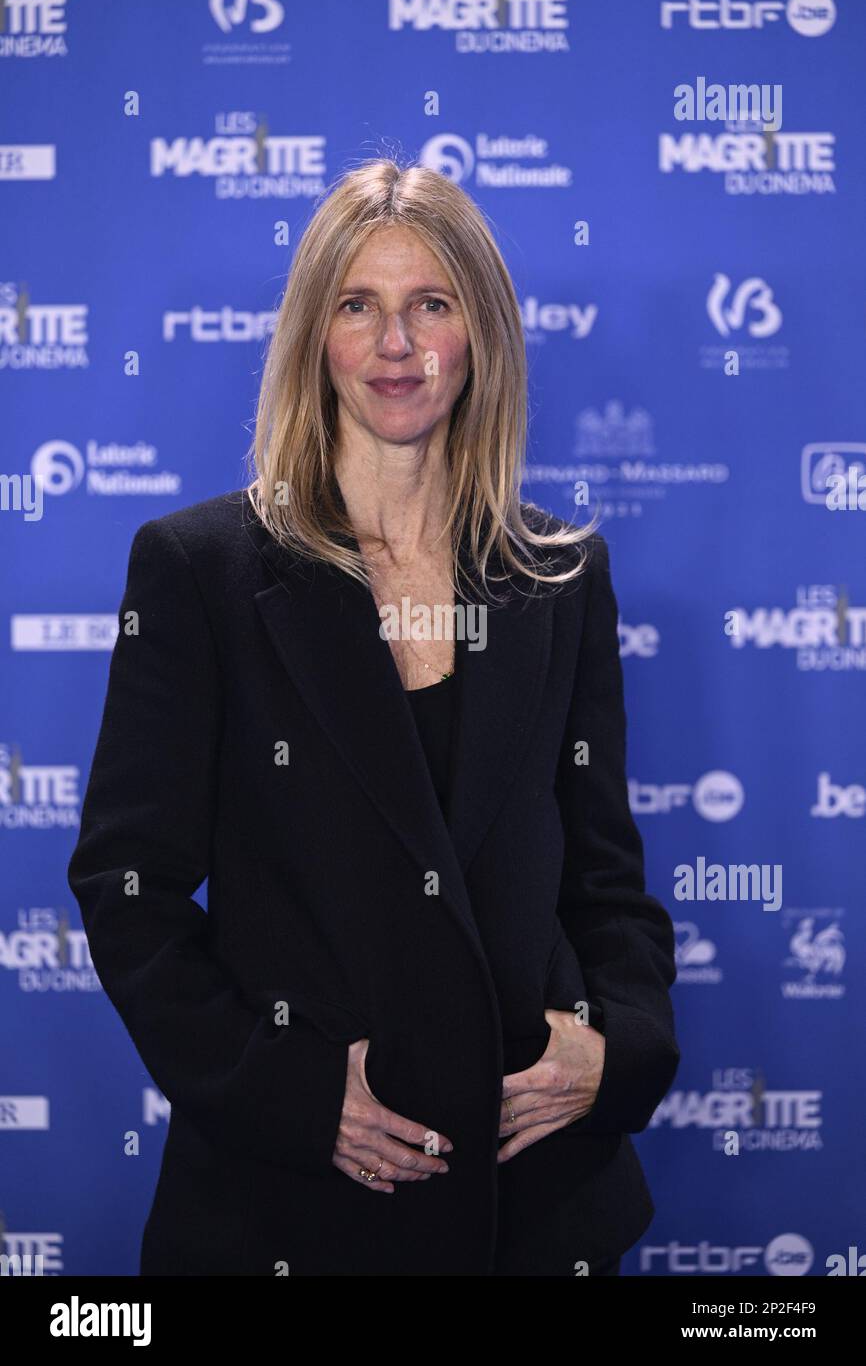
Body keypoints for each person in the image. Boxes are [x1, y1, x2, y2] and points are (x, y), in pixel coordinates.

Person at [67, 157, 680, 1277]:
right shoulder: (198, 573)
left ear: (479, 333)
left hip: (532, 1213)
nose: (396, 344)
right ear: (315, 338)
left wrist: (617, 1048)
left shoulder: (557, 577)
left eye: (429, 304)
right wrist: (288, 1093)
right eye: (358, 305)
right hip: (285, 1211)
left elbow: (604, 882)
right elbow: (128, 888)